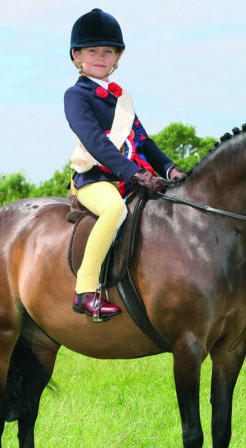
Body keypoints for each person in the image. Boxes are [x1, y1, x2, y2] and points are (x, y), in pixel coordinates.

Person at [64, 8, 186, 322]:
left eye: (108, 51)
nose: (101, 57)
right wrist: (135, 173)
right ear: (78, 56)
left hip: (132, 178)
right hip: (94, 180)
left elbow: (143, 141)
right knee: (115, 210)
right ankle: (87, 291)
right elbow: (96, 142)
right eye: (92, 51)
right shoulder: (76, 96)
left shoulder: (123, 99)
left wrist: (170, 168)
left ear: (117, 57)